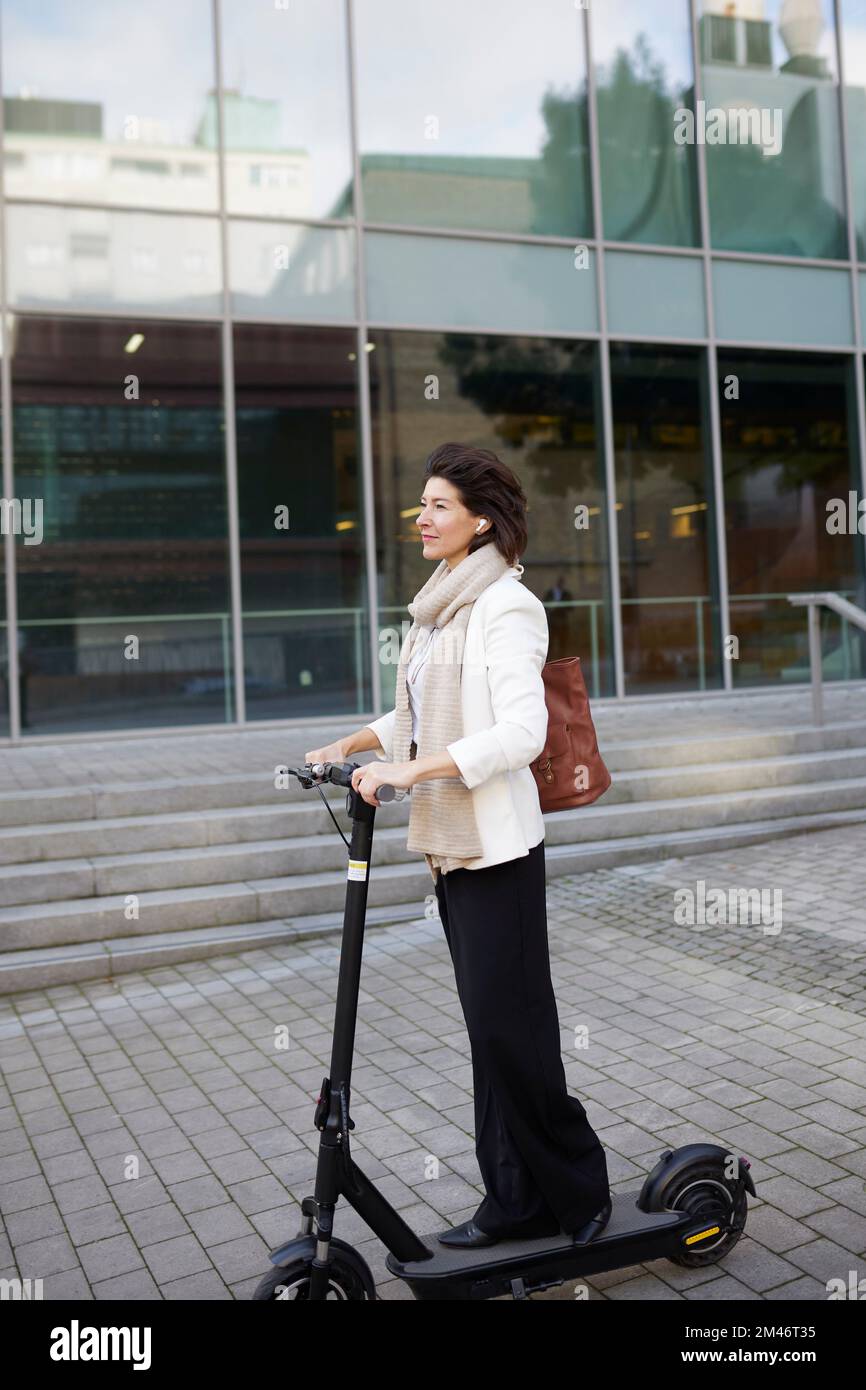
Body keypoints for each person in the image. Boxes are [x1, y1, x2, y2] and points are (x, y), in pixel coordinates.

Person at [305, 442, 611, 1248]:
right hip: (456, 851)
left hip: (499, 851)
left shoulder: (506, 605)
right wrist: (347, 745)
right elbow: (413, 711)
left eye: (439, 504)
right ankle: (514, 1203)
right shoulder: (439, 607)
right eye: (422, 503)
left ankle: (579, 1194)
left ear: (480, 520)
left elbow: (520, 732)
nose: (422, 516)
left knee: (516, 1036)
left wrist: (409, 771)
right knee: (489, 1037)